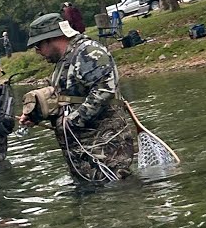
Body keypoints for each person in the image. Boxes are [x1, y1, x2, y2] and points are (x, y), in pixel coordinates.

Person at [19, 12, 137, 183]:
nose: (38, 52)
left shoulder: (89, 52)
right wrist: (35, 116)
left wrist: (71, 121)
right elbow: (64, 99)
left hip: (105, 148)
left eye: (38, 46)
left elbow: (104, 91)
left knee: (117, 190)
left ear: (51, 39)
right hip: (82, 153)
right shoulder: (64, 61)